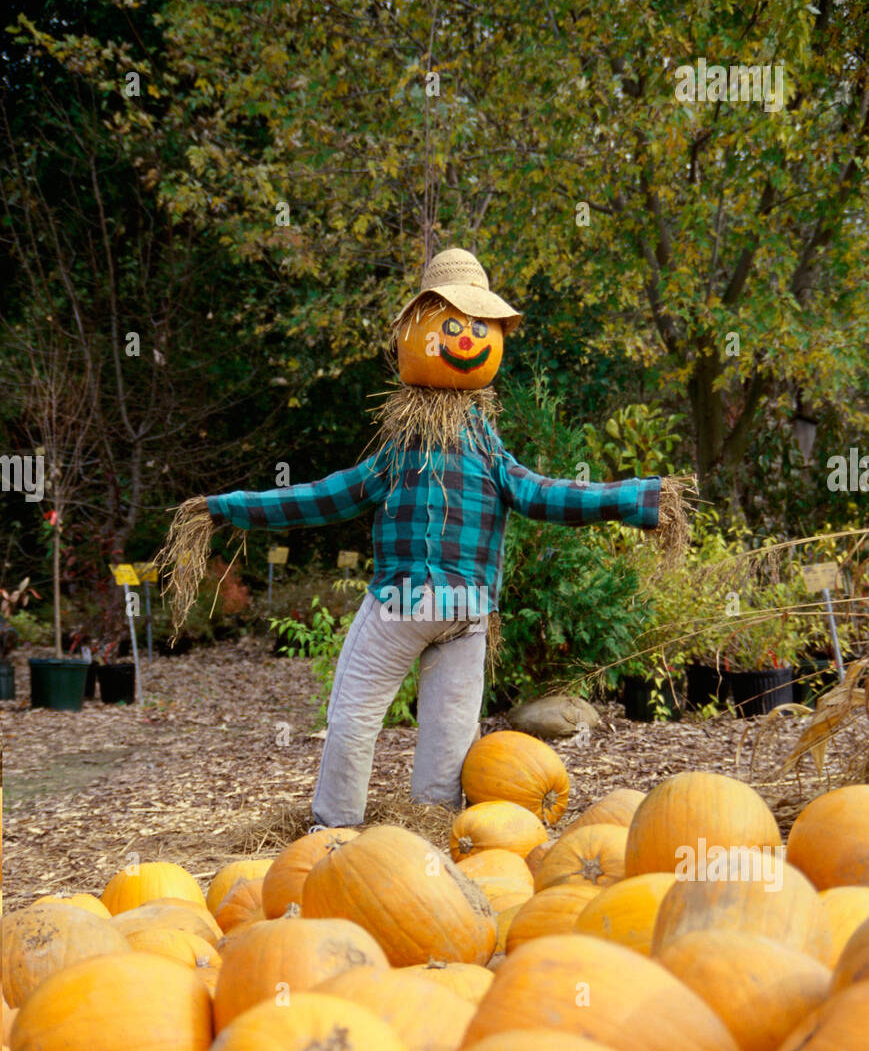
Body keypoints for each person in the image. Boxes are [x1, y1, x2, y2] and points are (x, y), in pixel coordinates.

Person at [158, 249, 687, 826]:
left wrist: (224, 510)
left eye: (476, 328)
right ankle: (434, 829)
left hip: (405, 602)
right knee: (450, 730)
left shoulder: (400, 451)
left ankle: (334, 830)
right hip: (469, 609)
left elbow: (316, 500)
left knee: (356, 714)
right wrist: (641, 500)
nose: (465, 340)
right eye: (454, 326)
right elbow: (548, 495)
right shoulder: (489, 450)